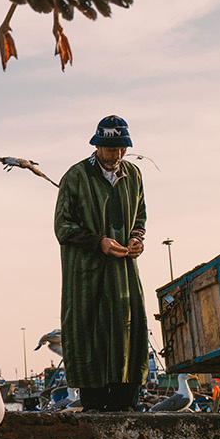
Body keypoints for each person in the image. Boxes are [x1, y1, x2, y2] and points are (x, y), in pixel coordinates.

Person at [54, 115, 147, 412]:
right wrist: (99, 242)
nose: (116, 155)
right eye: (110, 149)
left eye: (121, 149)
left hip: (123, 272)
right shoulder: (75, 177)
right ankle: (93, 408)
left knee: (127, 330)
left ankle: (127, 405)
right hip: (86, 275)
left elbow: (140, 217)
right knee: (88, 331)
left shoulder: (134, 175)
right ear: (97, 146)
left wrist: (136, 239)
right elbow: (62, 227)